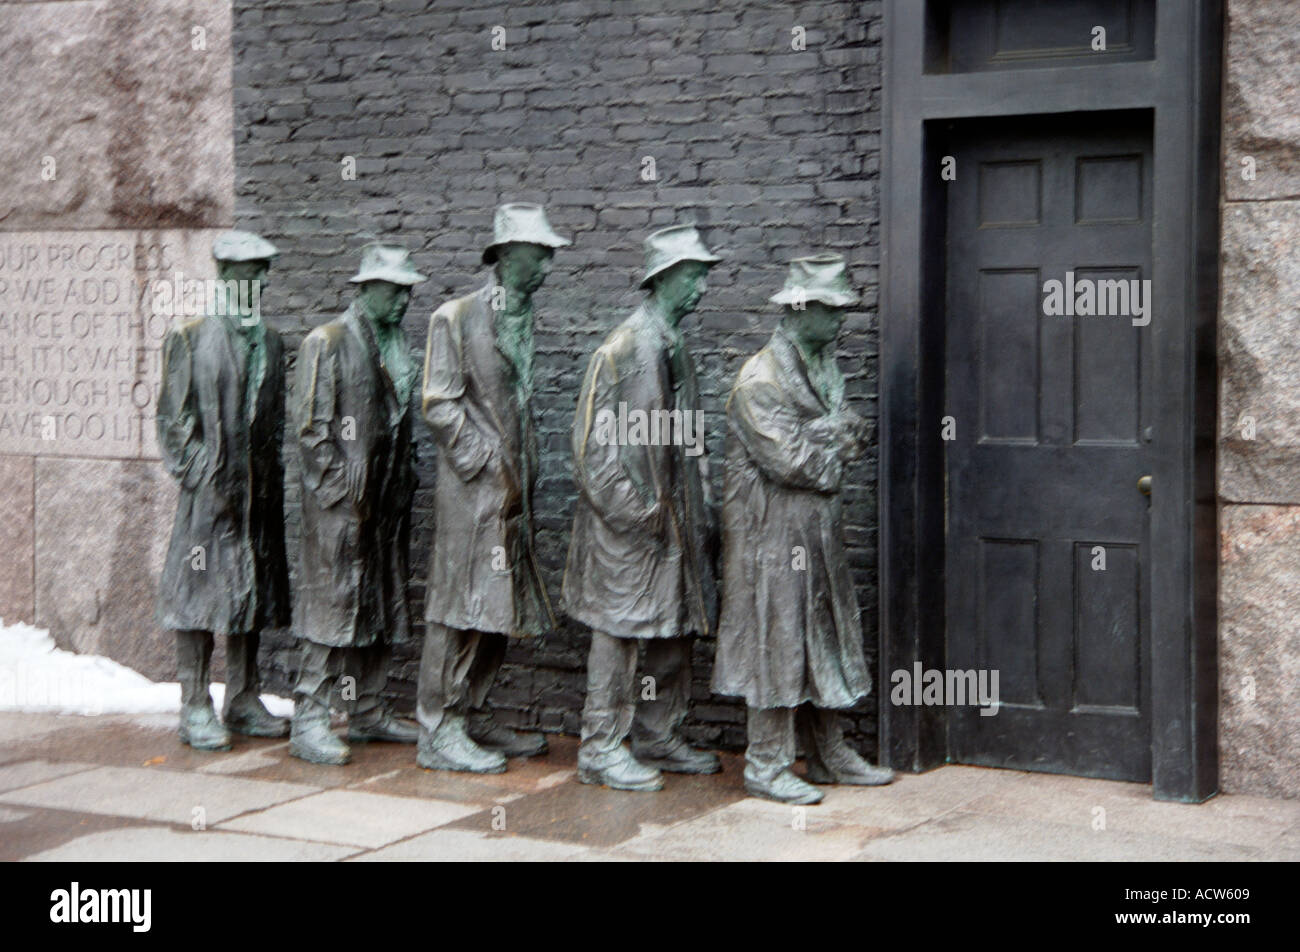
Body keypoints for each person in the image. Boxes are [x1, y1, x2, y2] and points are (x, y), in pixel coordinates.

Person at [712, 254, 894, 804]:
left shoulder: (824, 365)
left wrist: (829, 436)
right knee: (778, 639)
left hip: (814, 529)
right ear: (800, 310)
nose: (842, 320)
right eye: (831, 310)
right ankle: (765, 764)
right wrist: (831, 439)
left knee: (822, 636)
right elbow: (796, 463)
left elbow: (852, 437)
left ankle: (826, 752)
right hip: (770, 536)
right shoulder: (760, 379)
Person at [563, 224, 723, 792]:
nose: (702, 286)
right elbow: (591, 450)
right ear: (662, 280)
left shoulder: (675, 345)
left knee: (674, 629)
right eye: (693, 275)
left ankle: (657, 732)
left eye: (704, 274)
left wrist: (701, 508)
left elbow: (691, 440)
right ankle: (600, 747)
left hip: (676, 521)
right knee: (620, 633)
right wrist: (638, 511)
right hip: (629, 529)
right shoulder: (625, 349)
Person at [415, 204, 569, 773]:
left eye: (550, 255)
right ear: (506, 256)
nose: (548, 266)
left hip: (513, 494)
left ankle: (472, 712)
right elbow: (438, 401)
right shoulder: (454, 318)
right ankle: (437, 729)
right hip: (473, 496)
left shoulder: (524, 318)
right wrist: (484, 460)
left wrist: (522, 472)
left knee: (499, 610)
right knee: (457, 609)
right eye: (539, 254)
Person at [288, 244, 425, 765]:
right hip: (341, 510)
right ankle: (310, 717)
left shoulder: (397, 344)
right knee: (331, 607)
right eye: (394, 290)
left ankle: (367, 708)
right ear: (365, 289)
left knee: (378, 604)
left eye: (407, 290)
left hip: (386, 502)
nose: (403, 299)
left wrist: (401, 478)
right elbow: (311, 432)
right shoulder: (327, 341)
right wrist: (341, 493)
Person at [156, 230, 291, 751]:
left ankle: (243, 697)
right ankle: (194, 702)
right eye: (249, 271)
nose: (259, 279)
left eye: (263, 271)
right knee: (194, 597)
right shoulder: (189, 338)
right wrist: (199, 472)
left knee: (247, 593)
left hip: (257, 495)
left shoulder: (273, 341)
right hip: (208, 497)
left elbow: (274, 420)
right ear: (225, 275)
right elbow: (172, 420)